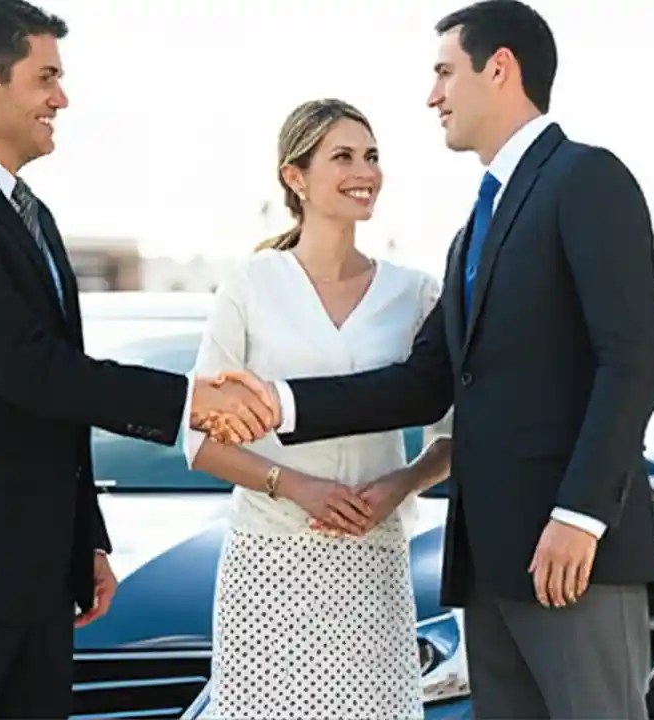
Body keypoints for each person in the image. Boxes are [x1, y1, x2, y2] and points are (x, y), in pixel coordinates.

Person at [205, 2, 654, 718]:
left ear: (500, 69)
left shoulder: (584, 179)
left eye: (444, 72)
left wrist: (580, 514)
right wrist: (278, 401)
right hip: (487, 564)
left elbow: (634, 356)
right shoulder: (471, 232)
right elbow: (423, 387)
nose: (433, 96)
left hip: (572, 555)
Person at [0, 1, 275, 717]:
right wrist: (189, 402)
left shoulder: (32, 215)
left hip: (35, 578)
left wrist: (84, 540)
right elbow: (28, 370)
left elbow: (54, 398)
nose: (62, 98)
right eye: (45, 77)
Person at [184, 98, 454, 720]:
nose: (365, 171)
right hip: (268, 564)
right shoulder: (249, 287)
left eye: (372, 156)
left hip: (373, 558)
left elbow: (450, 435)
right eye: (343, 156)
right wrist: (294, 484)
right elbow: (199, 441)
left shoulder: (415, 294)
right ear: (295, 176)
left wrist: (401, 483)